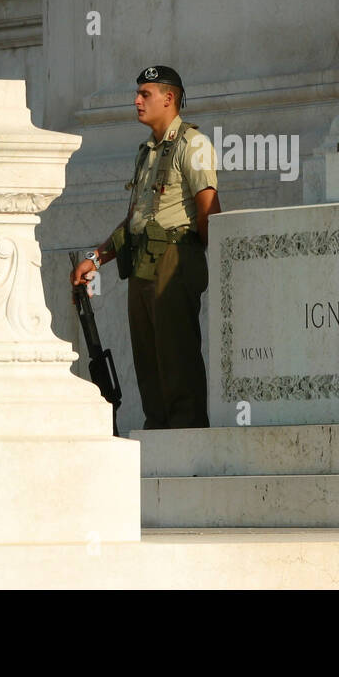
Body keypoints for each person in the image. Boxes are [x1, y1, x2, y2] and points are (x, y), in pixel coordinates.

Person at [70, 66, 221, 429]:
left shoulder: (194, 145)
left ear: (169, 98)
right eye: (137, 93)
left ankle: (186, 435)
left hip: (174, 259)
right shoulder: (147, 152)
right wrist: (96, 257)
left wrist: (201, 259)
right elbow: (133, 220)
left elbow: (210, 211)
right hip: (142, 263)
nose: (137, 101)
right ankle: (159, 432)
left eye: (146, 94)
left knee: (176, 354)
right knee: (148, 356)